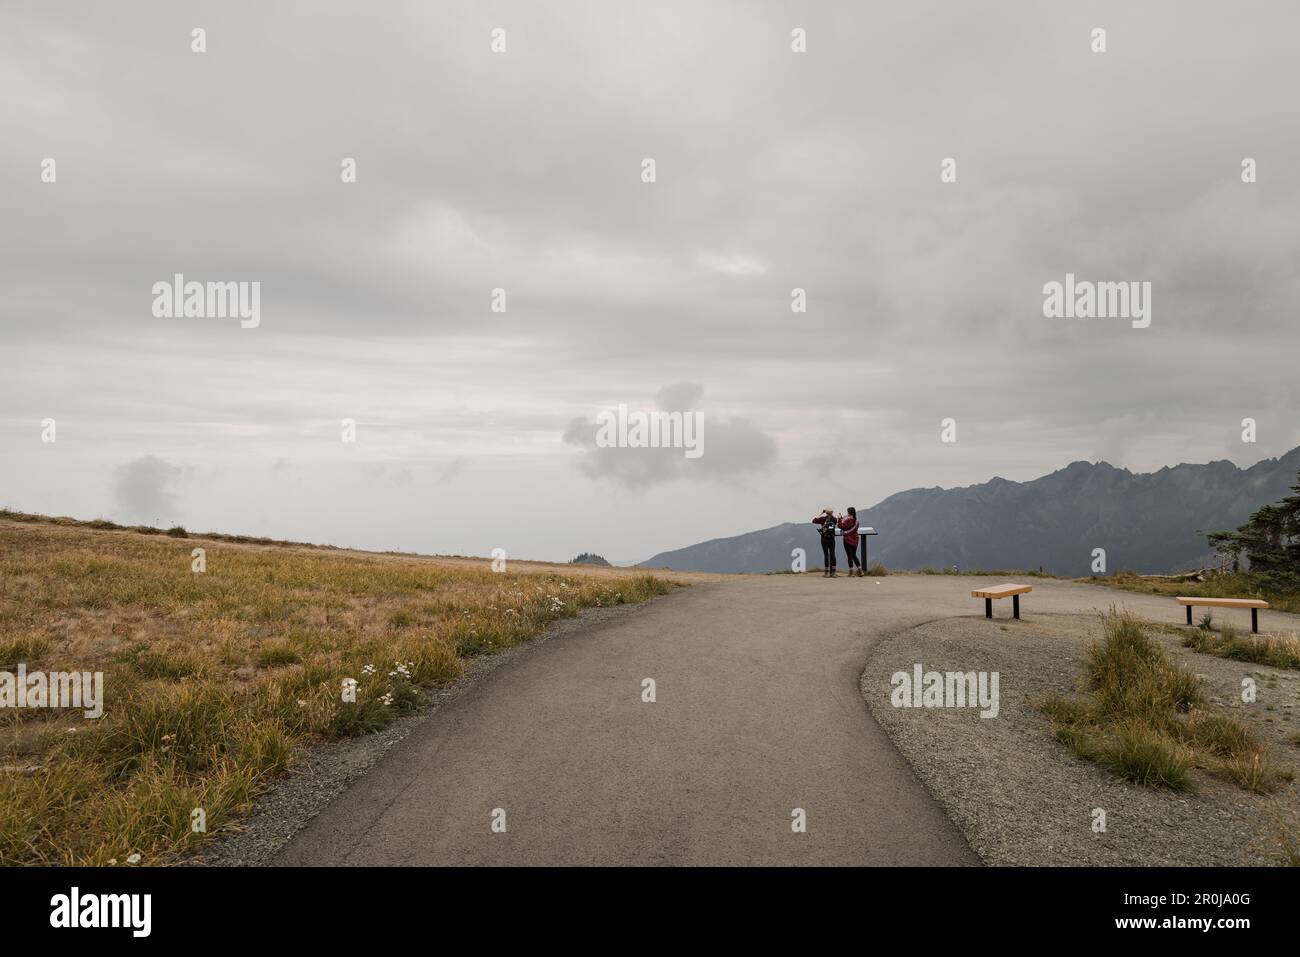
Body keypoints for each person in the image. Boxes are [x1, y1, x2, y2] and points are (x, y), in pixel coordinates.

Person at [812, 507, 838, 577]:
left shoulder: (823, 519)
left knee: (826, 555)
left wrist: (821, 513)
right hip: (832, 539)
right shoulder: (834, 519)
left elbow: (814, 520)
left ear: (826, 512)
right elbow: (835, 524)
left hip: (824, 539)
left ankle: (826, 572)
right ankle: (833, 572)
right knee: (833, 555)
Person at [840, 507, 862, 576]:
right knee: (854, 555)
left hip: (847, 539)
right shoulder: (856, 521)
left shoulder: (847, 520)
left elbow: (841, 526)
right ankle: (860, 571)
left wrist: (839, 520)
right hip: (855, 540)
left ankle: (851, 572)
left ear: (848, 512)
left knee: (849, 556)